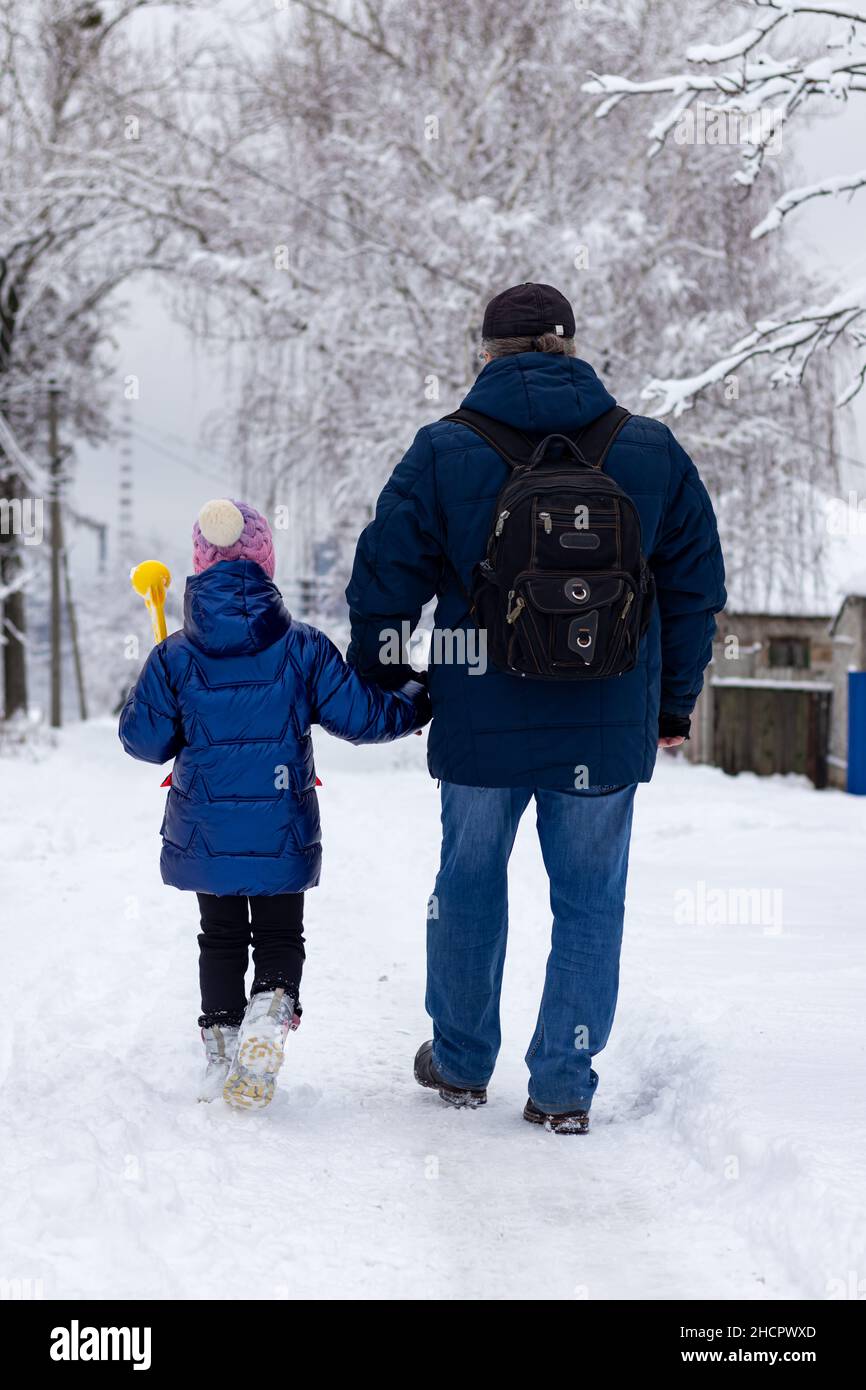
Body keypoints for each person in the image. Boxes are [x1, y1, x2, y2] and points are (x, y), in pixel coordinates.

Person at [346, 282, 726, 1134]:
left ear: (486, 353)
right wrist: (672, 704)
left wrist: (384, 684)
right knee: (589, 900)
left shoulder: (444, 451)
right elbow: (698, 590)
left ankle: (460, 1060)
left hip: (480, 723)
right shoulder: (651, 449)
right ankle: (561, 1083)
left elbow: (383, 585)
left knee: (468, 887)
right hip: (607, 718)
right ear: (570, 346)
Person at [119, 498, 429, 1110]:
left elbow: (142, 740)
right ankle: (270, 1012)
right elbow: (361, 717)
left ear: (200, 566)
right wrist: (422, 698)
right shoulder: (301, 648)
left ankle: (221, 1049)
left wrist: (162, 699)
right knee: (281, 935)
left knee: (220, 937)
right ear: (266, 564)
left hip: (205, 829)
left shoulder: (175, 655)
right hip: (281, 826)